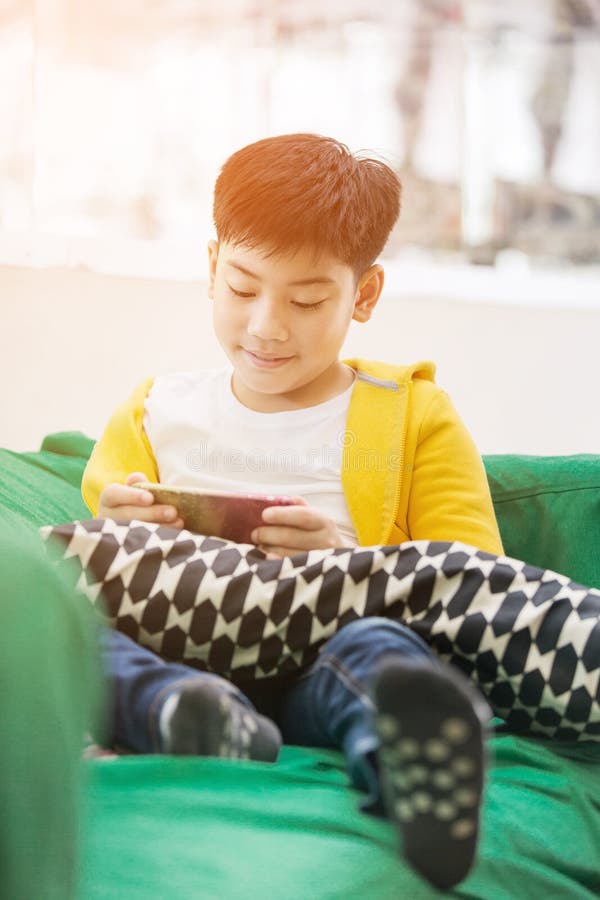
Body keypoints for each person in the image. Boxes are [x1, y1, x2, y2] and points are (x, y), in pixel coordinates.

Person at [81, 133, 504, 890]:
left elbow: (472, 585)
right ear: (212, 268)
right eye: (243, 289)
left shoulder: (414, 416)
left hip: (321, 659)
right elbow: (91, 566)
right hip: (172, 649)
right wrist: (118, 530)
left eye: (307, 300)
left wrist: (341, 564)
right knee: (67, 621)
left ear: (364, 295)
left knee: (383, 653)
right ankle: (185, 711)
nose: (267, 326)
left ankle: (415, 771)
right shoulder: (154, 411)